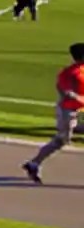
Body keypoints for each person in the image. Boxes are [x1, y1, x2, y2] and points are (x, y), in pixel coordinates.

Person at [22, 43, 84, 184]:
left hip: (79, 110)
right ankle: (34, 164)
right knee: (62, 140)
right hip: (67, 112)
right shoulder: (69, 73)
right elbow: (65, 91)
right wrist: (80, 98)